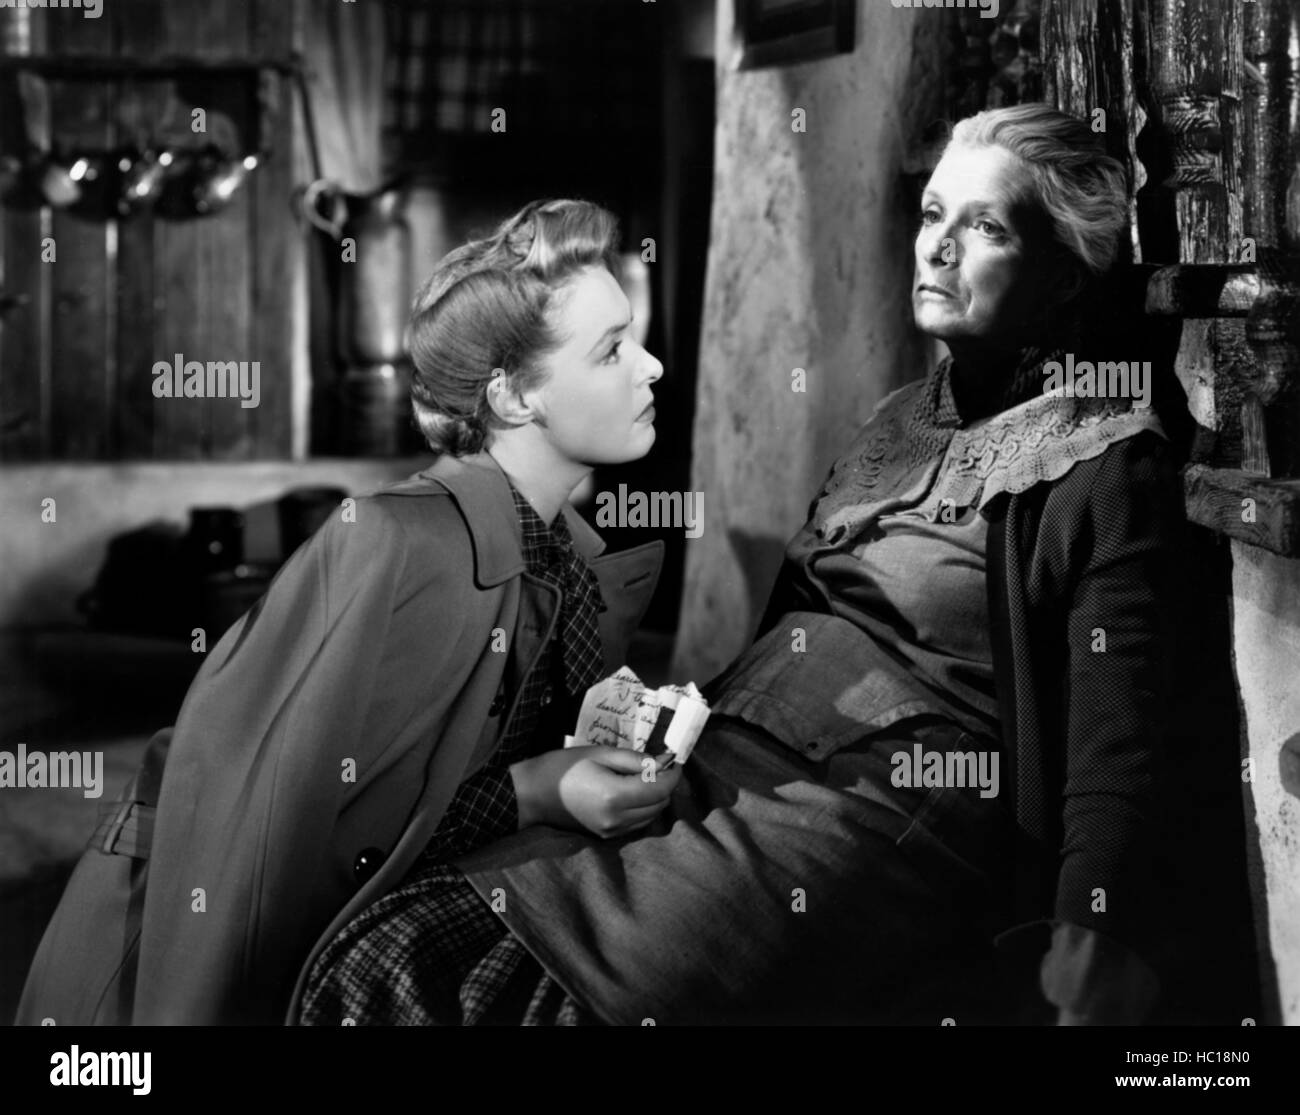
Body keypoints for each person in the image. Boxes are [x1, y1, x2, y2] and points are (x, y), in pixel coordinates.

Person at [297, 103, 1191, 1027]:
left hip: (881, 801)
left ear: (1063, 273)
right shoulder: (897, 418)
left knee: (572, 981)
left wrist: (1093, 928)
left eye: (988, 227)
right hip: (729, 746)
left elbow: (1113, 736)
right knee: (415, 935)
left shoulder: (1103, 458)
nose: (939, 251)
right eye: (932, 215)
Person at [16, 198, 677, 1026]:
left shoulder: (563, 554)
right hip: (154, 971)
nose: (650, 366)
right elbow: (295, 823)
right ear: (513, 397)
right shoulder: (395, 549)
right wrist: (533, 793)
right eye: (613, 350)